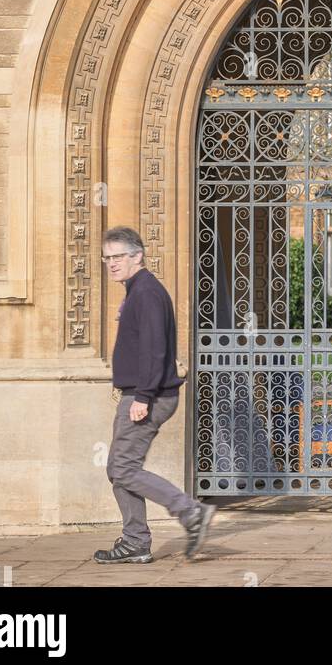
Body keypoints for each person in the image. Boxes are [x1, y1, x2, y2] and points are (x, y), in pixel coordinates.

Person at [94, 226, 215, 564]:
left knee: (124, 468)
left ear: (138, 255)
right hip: (139, 392)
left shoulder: (146, 292)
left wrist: (143, 397)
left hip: (148, 395)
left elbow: (154, 349)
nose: (112, 264)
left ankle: (190, 512)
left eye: (119, 256)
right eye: (108, 258)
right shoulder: (138, 291)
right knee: (118, 469)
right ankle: (135, 541)